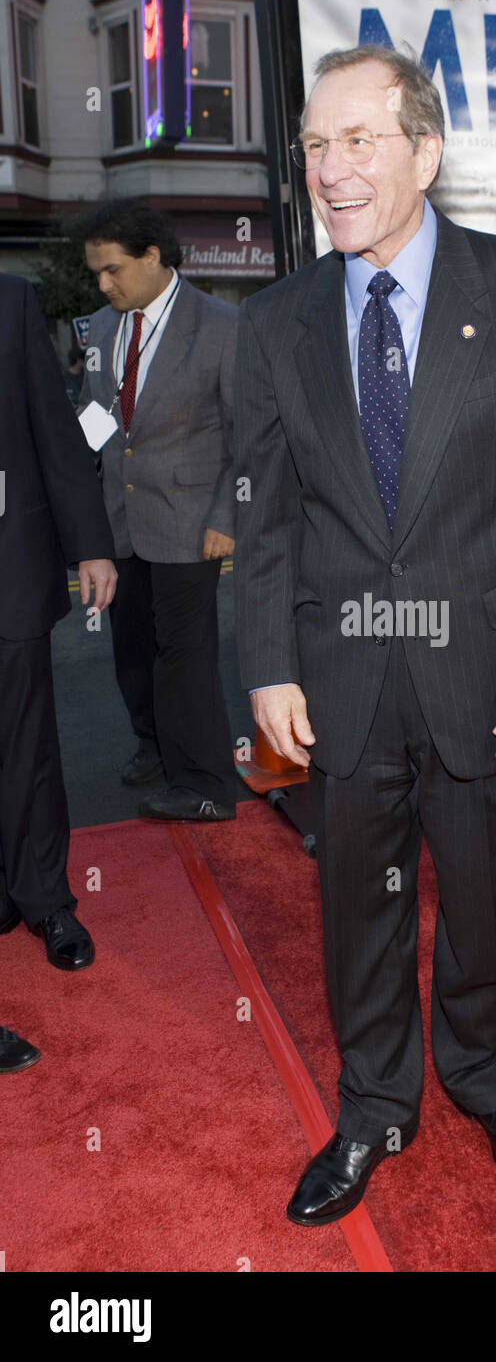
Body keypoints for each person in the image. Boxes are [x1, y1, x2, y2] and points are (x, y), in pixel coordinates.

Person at [233, 46, 496, 1225]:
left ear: (423, 152)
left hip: (486, 672)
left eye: (357, 141)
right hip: (338, 672)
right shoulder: (274, 321)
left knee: (487, 899)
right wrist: (266, 663)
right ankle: (371, 1104)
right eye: (312, 144)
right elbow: (261, 517)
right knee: (357, 902)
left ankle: (481, 1075)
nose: (329, 171)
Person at [73, 199, 239, 821]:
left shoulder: (223, 326)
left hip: (194, 524)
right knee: (131, 651)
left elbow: (250, 433)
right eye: (96, 272)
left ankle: (204, 784)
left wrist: (230, 515)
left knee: (185, 655)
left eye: (112, 269)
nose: (103, 284)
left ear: (152, 257)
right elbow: (97, 423)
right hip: (120, 523)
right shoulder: (101, 329)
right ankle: (154, 746)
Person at [0, 274, 116, 970]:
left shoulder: (11, 302)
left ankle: (45, 898)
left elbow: (53, 425)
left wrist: (91, 544)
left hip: (8, 565)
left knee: (26, 743)